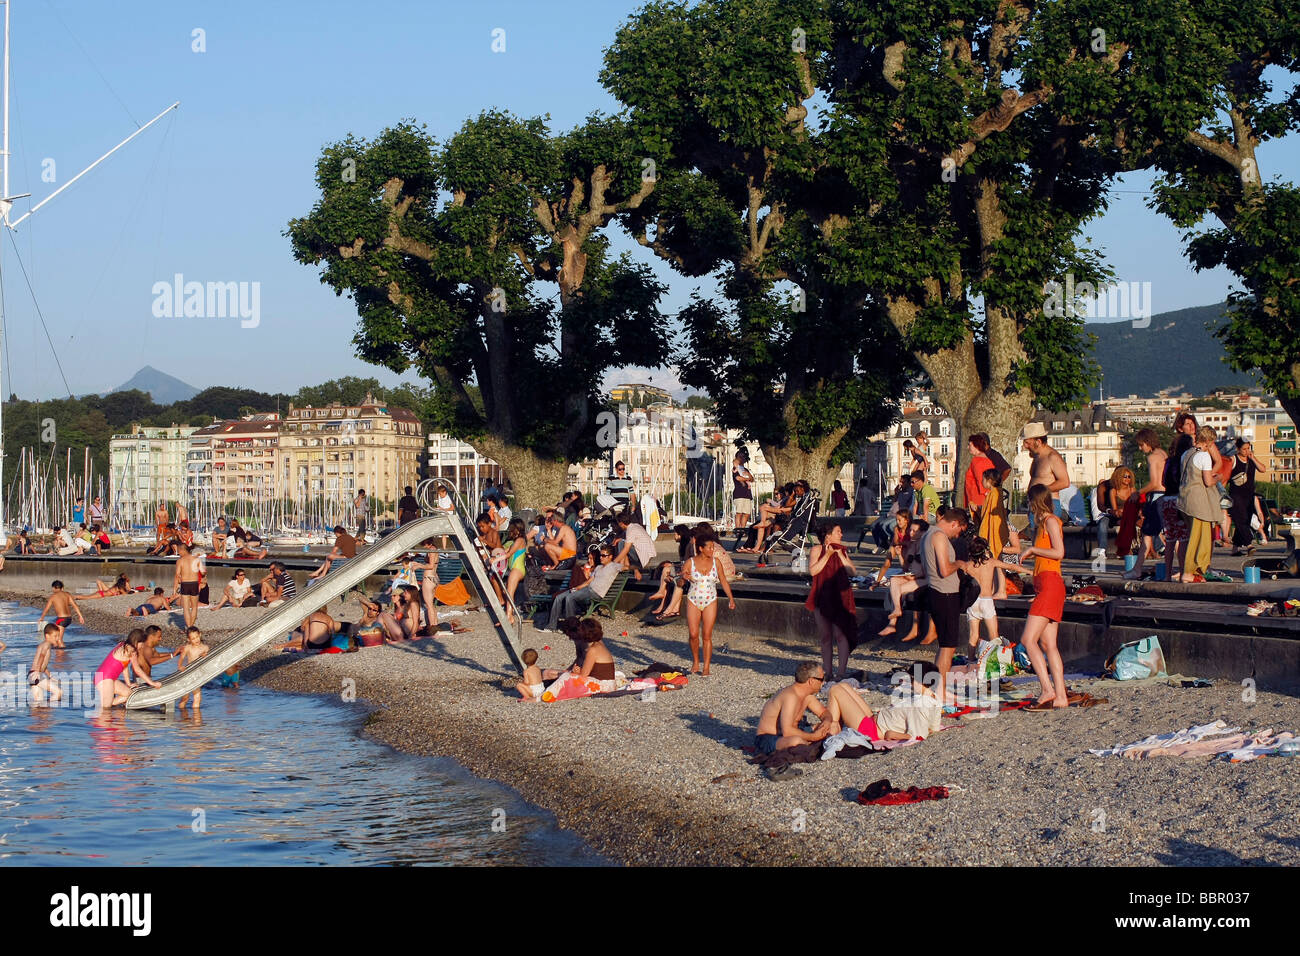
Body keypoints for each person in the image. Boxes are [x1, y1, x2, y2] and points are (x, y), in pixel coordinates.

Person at [1018, 484, 1069, 709]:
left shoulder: (1050, 521)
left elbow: (1059, 553)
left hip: (1050, 583)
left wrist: (1032, 550)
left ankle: (1047, 690)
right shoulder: (1042, 525)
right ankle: (1060, 695)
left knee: (1028, 640)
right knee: (1049, 644)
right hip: (1046, 585)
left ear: (1034, 501)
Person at [917, 507, 970, 703]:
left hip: (936, 592)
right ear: (954, 523)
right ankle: (939, 691)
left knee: (945, 645)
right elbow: (945, 569)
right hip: (945, 593)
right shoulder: (939, 536)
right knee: (949, 646)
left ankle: (940, 687)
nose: (957, 535)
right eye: (959, 530)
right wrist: (960, 564)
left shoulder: (927, 535)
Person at [821, 661, 944, 740]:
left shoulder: (918, 704)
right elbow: (934, 727)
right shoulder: (934, 699)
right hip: (875, 720)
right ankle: (833, 725)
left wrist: (892, 734)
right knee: (844, 687)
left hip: (872, 730)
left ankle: (832, 731)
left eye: (910, 678)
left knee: (835, 690)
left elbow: (918, 736)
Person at [806, 520, 857, 680]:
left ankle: (841, 672)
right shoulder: (816, 549)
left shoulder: (842, 550)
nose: (841, 535)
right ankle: (827, 671)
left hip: (840, 596)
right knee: (826, 636)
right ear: (828, 536)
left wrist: (841, 556)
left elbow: (852, 572)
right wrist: (827, 555)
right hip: (822, 595)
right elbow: (814, 571)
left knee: (841, 634)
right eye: (838, 532)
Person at [681, 528, 735, 676]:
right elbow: (680, 584)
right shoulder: (689, 563)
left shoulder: (716, 562)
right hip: (693, 599)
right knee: (693, 634)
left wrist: (730, 598)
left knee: (707, 634)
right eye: (710, 547)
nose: (713, 549)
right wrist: (683, 578)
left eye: (713, 547)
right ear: (701, 548)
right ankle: (696, 661)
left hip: (710, 599)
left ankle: (706, 667)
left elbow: (723, 580)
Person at [753, 662, 832, 754]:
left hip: (794, 732)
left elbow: (823, 712)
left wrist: (826, 721)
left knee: (833, 726)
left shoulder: (807, 696)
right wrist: (813, 737)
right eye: (822, 679)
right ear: (811, 681)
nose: (823, 682)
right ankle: (811, 747)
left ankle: (809, 747)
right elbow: (787, 731)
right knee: (796, 741)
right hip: (768, 738)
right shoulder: (790, 696)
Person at [1178, 425, 1224, 583]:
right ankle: (1190, 572)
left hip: (1185, 500)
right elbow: (1208, 481)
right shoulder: (1204, 456)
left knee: (1192, 536)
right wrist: (1218, 477)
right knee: (1201, 539)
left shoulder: (1186, 454)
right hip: (1198, 503)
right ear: (1209, 441)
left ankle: (1193, 572)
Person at [541, 544, 622, 632]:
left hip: (593, 592)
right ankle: (551, 626)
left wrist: (636, 570)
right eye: (601, 555)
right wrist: (577, 588)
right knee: (558, 597)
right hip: (584, 588)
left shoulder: (613, 566)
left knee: (569, 598)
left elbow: (626, 567)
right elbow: (588, 582)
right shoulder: (598, 568)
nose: (601, 557)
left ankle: (571, 628)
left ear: (610, 557)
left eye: (603, 555)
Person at [1158, 413, 1198, 581]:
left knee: (1170, 540)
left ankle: (1167, 575)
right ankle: (1183, 572)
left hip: (1166, 501)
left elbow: (1163, 481)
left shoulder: (1169, 460)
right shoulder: (1186, 460)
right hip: (1179, 501)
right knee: (1183, 539)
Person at [1124, 428, 1168, 580]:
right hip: (1166, 496)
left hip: (1156, 497)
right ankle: (1137, 569)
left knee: (1149, 535)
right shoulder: (1163, 454)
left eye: (1141, 445)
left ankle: (1136, 570)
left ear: (1148, 442)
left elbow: (1155, 483)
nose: (1140, 448)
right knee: (1150, 535)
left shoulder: (1152, 458)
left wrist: (1138, 493)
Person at [959, 536, 1015, 652]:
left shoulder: (967, 565)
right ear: (985, 550)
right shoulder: (991, 563)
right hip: (986, 600)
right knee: (994, 635)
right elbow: (1011, 566)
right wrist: (1030, 571)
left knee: (973, 636)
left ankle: (970, 661)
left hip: (973, 601)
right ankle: (995, 661)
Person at [94, 630, 161, 709]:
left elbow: (124, 666)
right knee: (106, 709)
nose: (143, 646)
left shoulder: (123, 645)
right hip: (105, 679)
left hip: (102, 676)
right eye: (142, 643)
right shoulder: (132, 651)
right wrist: (152, 683)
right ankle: (104, 716)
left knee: (128, 694)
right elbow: (137, 669)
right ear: (136, 642)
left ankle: (114, 716)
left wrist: (128, 683)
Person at [1021, 422, 1071, 526]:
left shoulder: (1052, 457)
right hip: (1035, 505)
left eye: (1027, 443)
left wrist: (1041, 491)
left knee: (1045, 539)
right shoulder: (1037, 457)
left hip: (1047, 504)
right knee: (1035, 540)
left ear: (1038, 441)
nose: (1025, 446)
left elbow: (1065, 482)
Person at [1228, 439, 1267, 555]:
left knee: (1246, 520)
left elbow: (1263, 469)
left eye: (1248, 448)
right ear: (1238, 449)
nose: (1246, 451)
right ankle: (1249, 544)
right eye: (1244, 449)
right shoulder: (1233, 459)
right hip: (1236, 495)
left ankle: (1235, 549)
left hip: (1249, 495)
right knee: (1241, 519)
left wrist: (1253, 458)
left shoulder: (1251, 460)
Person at [976, 468, 1014, 557]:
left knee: (993, 555)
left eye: (983, 479)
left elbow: (989, 514)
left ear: (989, 481)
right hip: (995, 526)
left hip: (994, 528)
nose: (982, 482)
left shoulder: (994, 494)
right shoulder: (996, 493)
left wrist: (977, 510)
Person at [611, 512, 655, 581]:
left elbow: (626, 549)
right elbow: (632, 541)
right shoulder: (635, 525)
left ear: (621, 523)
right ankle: (628, 567)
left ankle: (622, 566)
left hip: (644, 556)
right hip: (647, 553)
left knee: (622, 544)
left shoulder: (630, 530)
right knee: (623, 542)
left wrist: (613, 563)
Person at [571, 618, 617, 683]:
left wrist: (577, 672)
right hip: (607, 683)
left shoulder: (592, 650)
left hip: (601, 685)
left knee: (565, 678)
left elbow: (583, 676)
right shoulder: (599, 644)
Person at [176, 625, 210, 710]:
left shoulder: (205, 648)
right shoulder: (188, 648)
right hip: (188, 674)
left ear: (200, 634)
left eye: (197, 637)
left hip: (197, 675)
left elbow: (208, 660)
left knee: (197, 697)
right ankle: (182, 714)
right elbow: (181, 659)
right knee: (185, 698)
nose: (196, 640)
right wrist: (180, 666)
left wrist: (205, 656)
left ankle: (197, 721)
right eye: (193, 638)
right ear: (189, 639)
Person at [28, 624, 63, 704]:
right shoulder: (47, 644)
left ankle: (41, 712)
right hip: (36, 675)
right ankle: (48, 706)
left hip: (32, 675)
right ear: (47, 636)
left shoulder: (42, 644)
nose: (58, 638)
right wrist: (37, 672)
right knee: (58, 692)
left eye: (58, 636)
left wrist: (50, 676)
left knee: (37, 704)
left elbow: (42, 666)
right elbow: (41, 656)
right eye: (55, 636)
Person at [963, 435, 996, 518]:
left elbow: (980, 479)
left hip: (977, 499)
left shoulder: (976, 461)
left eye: (970, 445)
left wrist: (984, 493)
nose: (968, 447)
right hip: (985, 498)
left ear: (976, 446)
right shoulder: (988, 460)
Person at [174, 543, 203, 629]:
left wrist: (175, 588)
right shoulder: (196, 559)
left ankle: (189, 627)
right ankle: (191, 626)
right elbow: (203, 571)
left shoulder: (180, 561)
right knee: (194, 607)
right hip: (194, 583)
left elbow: (177, 575)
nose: (178, 553)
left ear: (183, 550)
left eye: (178, 551)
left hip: (185, 583)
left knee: (186, 608)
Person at [732, 450, 754, 530]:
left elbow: (752, 479)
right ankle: (738, 529)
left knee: (747, 513)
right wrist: (747, 478)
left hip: (747, 494)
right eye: (740, 457)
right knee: (739, 513)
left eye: (743, 457)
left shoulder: (745, 470)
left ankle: (742, 529)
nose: (742, 458)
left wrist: (748, 476)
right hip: (739, 493)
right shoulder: (735, 469)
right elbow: (737, 478)